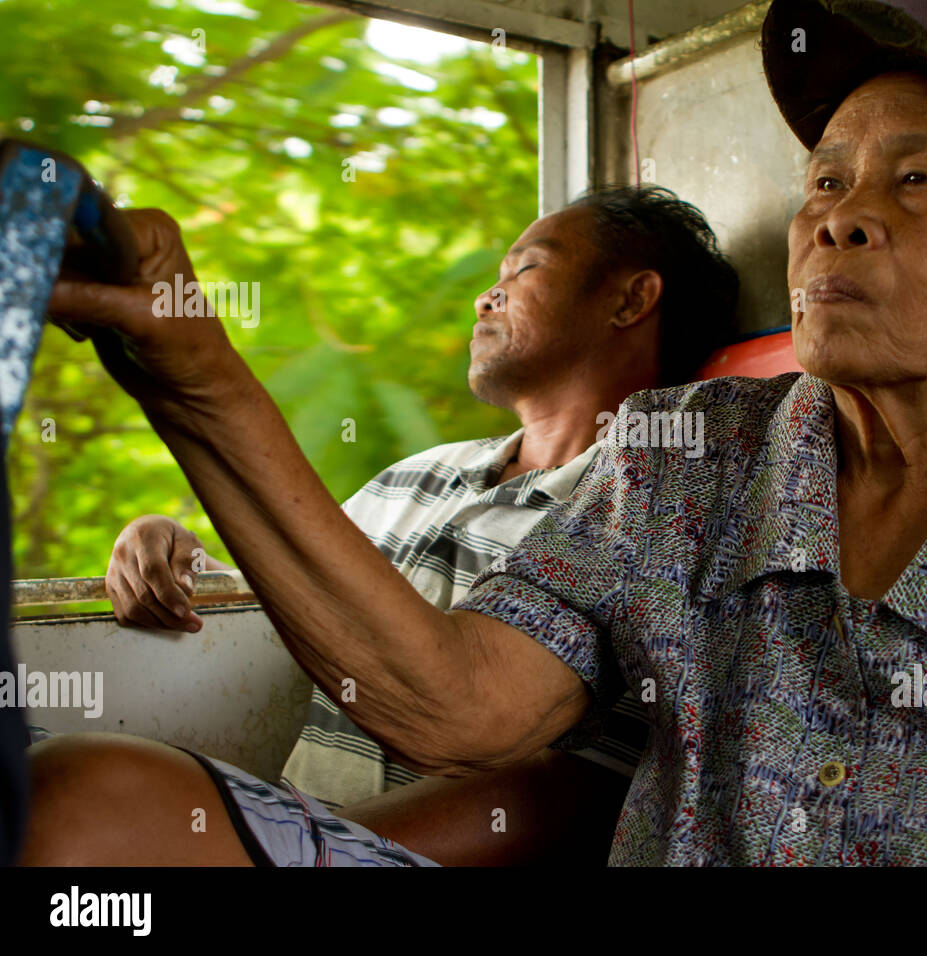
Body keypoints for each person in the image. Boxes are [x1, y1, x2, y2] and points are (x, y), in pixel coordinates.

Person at [24, 0, 927, 865]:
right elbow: (450, 703)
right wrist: (200, 382)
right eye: (826, 182)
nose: (841, 219)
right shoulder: (679, 456)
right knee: (81, 807)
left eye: (918, 181)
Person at [21, 185, 739, 866]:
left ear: (631, 298)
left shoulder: (655, 500)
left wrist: (314, 846)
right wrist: (171, 549)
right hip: (309, 829)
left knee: (87, 795)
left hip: (373, 848)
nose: (487, 294)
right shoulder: (419, 475)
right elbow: (312, 599)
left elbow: (580, 790)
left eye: (525, 268)